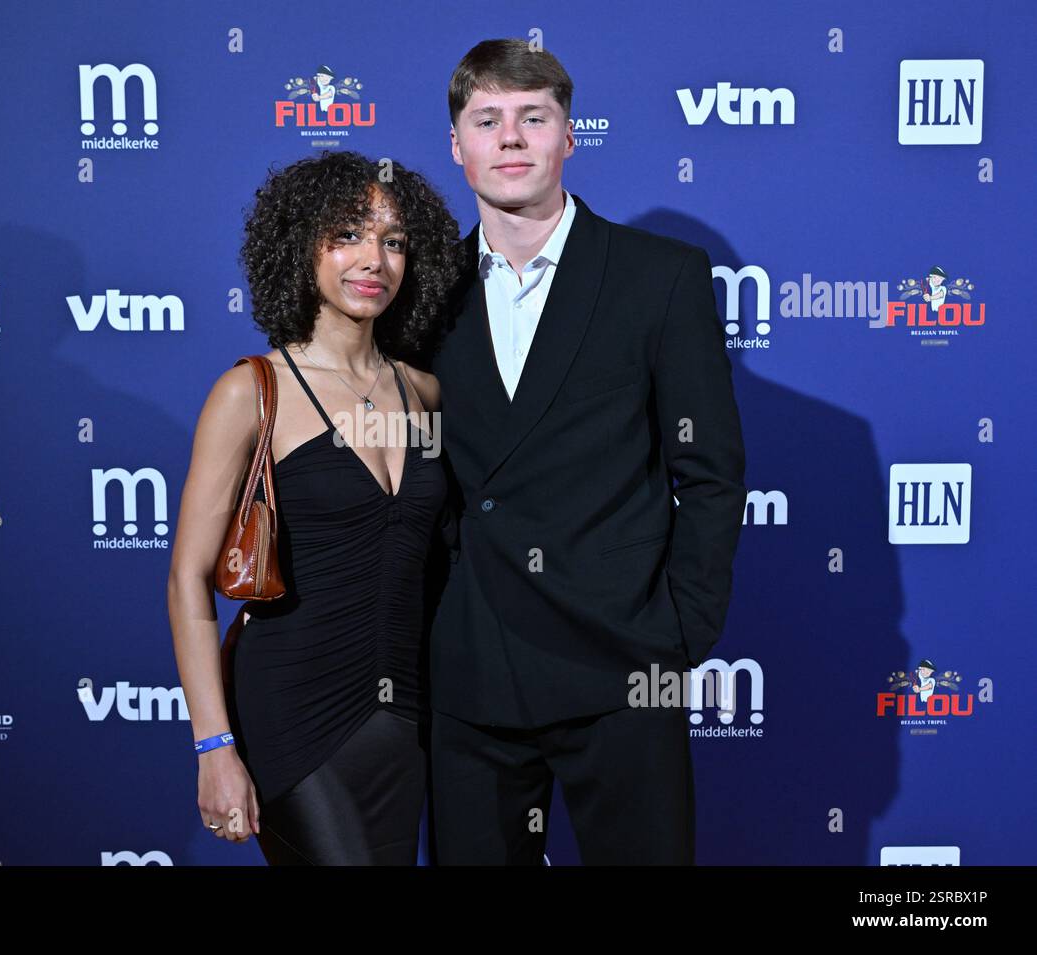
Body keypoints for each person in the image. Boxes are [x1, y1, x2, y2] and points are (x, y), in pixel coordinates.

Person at [426, 39, 748, 865]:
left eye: (533, 117)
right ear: (455, 144)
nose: (510, 138)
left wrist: (678, 632)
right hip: (474, 668)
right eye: (487, 119)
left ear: (569, 137)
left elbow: (709, 471)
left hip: (622, 665)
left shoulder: (659, 276)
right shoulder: (424, 291)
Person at [167, 150, 462, 864]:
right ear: (301, 246)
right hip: (290, 709)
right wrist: (214, 747)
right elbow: (187, 581)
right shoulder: (253, 391)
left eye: (393, 240)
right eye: (349, 234)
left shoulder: (424, 392)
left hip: (403, 716)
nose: (375, 259)